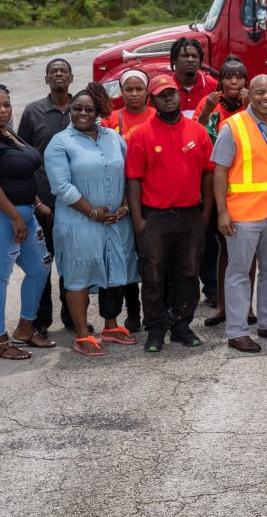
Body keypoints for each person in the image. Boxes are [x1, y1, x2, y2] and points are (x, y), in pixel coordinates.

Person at [45, 87, 138, 356]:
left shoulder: (113, 137)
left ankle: (111, 326)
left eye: (88, 109)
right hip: (79, 223)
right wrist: (93, 213)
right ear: (71, 110)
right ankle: (83, 334)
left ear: (98, 112)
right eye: (77, 108)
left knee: (113, 269)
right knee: (79, 276)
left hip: (116, 221)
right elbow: (62, 187)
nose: (82, 113)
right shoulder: (60, 142)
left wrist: (123, 206)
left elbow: (127, 172)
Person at [125, 73, 214, 353]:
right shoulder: (141, 134)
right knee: (153, 274)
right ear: (153, 100)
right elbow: (134, 179)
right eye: (162, 95)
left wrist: (206, 212)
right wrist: (138, 219)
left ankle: (181, 325)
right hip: (155, 217)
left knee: (187, 273)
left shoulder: (197, 131)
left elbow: (208, 174)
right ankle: (155, 329)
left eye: (172, 93)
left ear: (178, 95)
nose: (169, 98)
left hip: (190, 215)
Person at [0, 83, 53, 360]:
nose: (3, 110)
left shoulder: (7, 133)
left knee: (40, 268)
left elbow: (22, 173)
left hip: (24, 213)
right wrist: (16, 216)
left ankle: (26, 327)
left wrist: (36, 204)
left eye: (6, 105)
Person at [213, 75, 267, 353]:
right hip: (243, 213)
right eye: (260, 92)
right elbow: (220, 172)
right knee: (238, 272)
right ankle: (237, 331)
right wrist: (222, 212)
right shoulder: (232, 127)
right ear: (250, 94)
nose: (266, 97)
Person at [16, 57, 73, 338]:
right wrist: (37, 202)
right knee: (43, 263)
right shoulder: (33, 112)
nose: (59, 75)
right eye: (54, 72)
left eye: (63, 71)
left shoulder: (83, 108)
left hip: (77, 204)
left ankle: (73, 318)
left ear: (71, 78)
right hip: (43, 204)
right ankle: (40, 322)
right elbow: (22, 159)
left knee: (72, 264)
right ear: (46, 79)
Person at [195, 58, 251, 327]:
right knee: (224, 249)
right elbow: (194, 132)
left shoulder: (252, 104)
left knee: (248, 250)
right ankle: (221, 305)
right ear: (221, 81)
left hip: (246, 188)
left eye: (239, 77)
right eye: (229, 77)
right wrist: (206, 109)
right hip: (217, 185)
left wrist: (250, 105)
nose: (234, 82)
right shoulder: (211, 104)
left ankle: (246, 307)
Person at [100, 68, 153, 333]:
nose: (134, 94)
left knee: (149, 256)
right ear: (122, 92)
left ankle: (154, 308)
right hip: (119, 197)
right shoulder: (111, 119)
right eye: (128, 89)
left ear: (147, 91)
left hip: (150, 195)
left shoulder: (156, 116)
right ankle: (133, 311)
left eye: (139, 89)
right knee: (125, 256)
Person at [170, 36, 219, 119]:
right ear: (174, 60)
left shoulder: (214, 86)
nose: (190, 59)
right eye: (185, 56)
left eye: (194, 56)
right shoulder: (165, 89)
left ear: (200, 61)